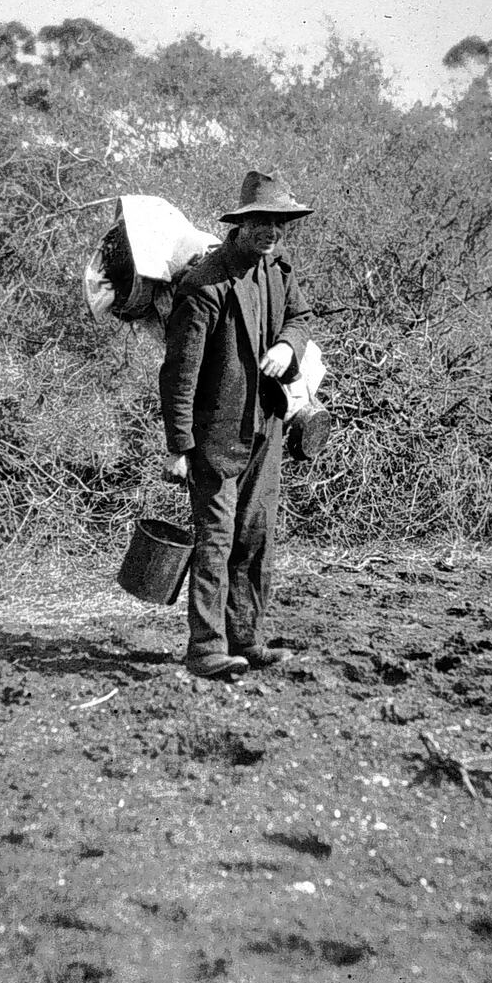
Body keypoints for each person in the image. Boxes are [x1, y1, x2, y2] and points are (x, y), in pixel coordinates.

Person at [159, 170, 314, 680]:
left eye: (280, 223)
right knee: (216, 539)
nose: (272, 231)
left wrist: (287, 346)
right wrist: (179, 445)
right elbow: (179, 373)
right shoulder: (205, 285)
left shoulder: (279, 268)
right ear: (241, 224)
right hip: (216, 435)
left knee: (256, 535)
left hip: (267, 426)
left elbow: (301, 317)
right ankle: (206, 649)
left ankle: (246, 639)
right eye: (263, 222)